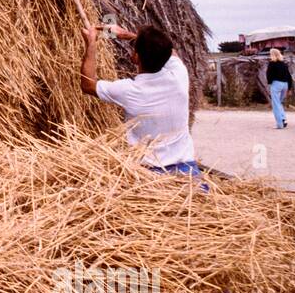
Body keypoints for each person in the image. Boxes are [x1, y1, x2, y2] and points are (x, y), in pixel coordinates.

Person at [80, 23, 206, 187]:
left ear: (136, 57)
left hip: (148, 177)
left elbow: (88, 85)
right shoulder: (179, 76)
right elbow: (170, 52)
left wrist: (91, 43)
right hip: (187, 174)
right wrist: (131, 36)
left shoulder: (129, 90)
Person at [265, 48, 294, 129]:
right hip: (285, 84)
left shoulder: (272, 63)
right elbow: (289, 76)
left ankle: (280, 123)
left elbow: (269, 75)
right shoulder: (284, 64)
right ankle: (283, 118)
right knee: (279, 103)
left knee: (275, 104)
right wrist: (289, 87)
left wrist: (270, 83)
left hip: (276, 84)